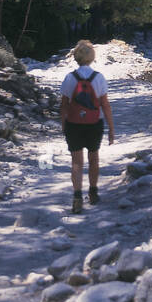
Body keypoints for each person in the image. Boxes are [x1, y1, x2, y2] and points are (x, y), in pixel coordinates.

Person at [58, 40, 115, 214]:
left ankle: (76, 196)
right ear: (92, 58)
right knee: (94, 159)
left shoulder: (69, 77)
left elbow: (64, 104)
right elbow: (105, 105)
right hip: (94, 124)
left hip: (74, 124)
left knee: (76, 162)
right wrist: (111, 128)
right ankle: (93, 192)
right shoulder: (98, 77)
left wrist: (63, 125)